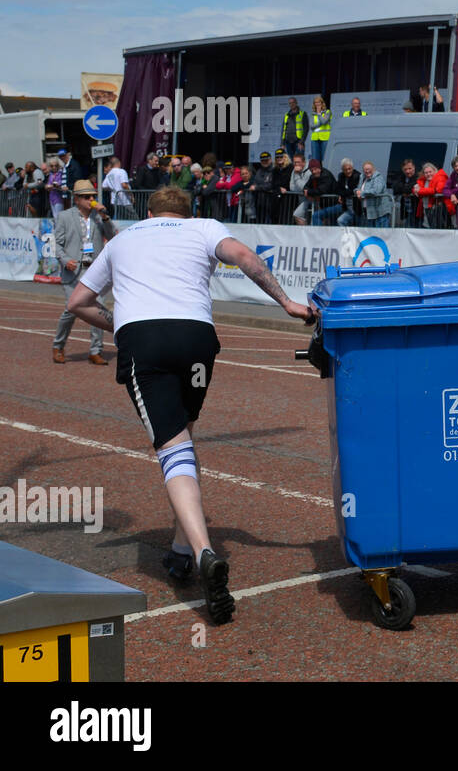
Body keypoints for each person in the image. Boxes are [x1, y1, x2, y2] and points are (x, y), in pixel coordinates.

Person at [66, 186, 318, 625]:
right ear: (188, 212)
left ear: (150, 211)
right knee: (184, 438)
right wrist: (287, 303)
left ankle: (202, 551)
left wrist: (118, 325)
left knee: (171, 449)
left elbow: (77, 302)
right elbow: (246, 257)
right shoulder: (204, 227)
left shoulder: (123, 238)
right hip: (198, 338)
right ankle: (181, 552)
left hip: (146, 339)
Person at [52, 180, 116, 365]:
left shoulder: (98, 217)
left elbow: (112, 237)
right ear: (77, 199)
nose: (91, 200)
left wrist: (104, 217)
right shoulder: (65, 216)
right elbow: (58, 245)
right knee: (70, 310)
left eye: (93, 196)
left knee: (97, 309)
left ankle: (95, 351)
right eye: (87, 197)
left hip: (93, 270)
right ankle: (58, 345)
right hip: (73, 272)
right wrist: (65, 260)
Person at [295, 160, 337, 225]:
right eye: (311, 170)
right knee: (298, 214)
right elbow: (305, 187)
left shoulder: (326, 175)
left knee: (320, 218)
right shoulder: (312, 176)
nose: (314, 172)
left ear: (319, 168)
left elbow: (322, 190)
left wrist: (309, 192)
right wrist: (308, 193)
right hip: (321, 203)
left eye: (315, 169)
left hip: (332, 204)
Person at [357, 161, 393, 227]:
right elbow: (358, 188)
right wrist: (356, 192)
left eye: (369, 169)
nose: (367, 171)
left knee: (382, 234)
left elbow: (376, 191)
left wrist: (362, 193)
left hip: (380, 212)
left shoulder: (378, 177)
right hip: (369, 212)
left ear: (373, 169)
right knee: (372, 234)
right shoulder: (363, 178)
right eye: (365, 170)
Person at [414, 162, 449, 228]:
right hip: (425, 209)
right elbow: (416, 188)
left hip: (437, 209)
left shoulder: (440, 178)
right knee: (427, 227)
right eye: (426, 173)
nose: (428, 174)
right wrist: (415, 190)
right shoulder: (424, 180)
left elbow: (437, 190)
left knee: (435, 228)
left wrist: (420, 191)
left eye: (430, 172)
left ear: (435, 171)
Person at [333, 158, 363, 227]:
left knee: (359, 228)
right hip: (347, 208)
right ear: (342, 170)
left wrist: (343, 193)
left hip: (358, 208)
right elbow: (337, 189)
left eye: (349, 169)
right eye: (345, 170)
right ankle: (346, 237)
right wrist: (342, 193)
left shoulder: (357, 176)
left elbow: (352, 191)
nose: (348, 171)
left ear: (352, 168)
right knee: (340, 220)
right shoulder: (341, 176)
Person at [308, 96, 331, 166]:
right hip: (315, 138)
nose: (317, 104)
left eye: (318, 102)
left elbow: (324, 121)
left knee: (324, 158)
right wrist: (319, 123)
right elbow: (311, 126)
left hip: (325, 138)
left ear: (322, 103)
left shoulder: (327, 112)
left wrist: (319, 113)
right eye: (315, 102)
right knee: (315, 159)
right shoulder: (312, 114)